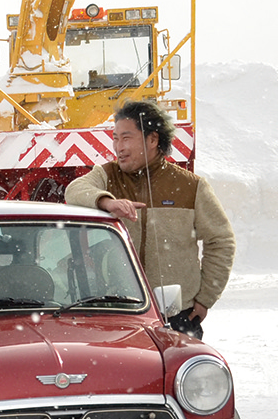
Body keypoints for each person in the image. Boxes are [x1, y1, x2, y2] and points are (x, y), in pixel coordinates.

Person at [65, 100, 235, 337]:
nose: (119, 147)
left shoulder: (191, 186)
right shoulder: (108, 175)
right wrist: (107, 201)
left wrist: (205, 299)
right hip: (119, 313)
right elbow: (73, 190)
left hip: (177, 315)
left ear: (153, 139)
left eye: (126, 138)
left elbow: (221, 241)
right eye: (115, 138)